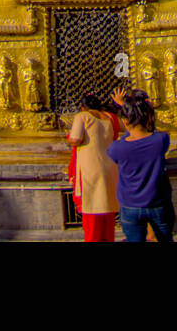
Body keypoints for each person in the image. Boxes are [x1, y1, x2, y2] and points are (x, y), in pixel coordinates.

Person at [107, 88, 174, 242]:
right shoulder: (161, 140)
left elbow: (127, 140)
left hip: (130, 205)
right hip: (158, 203)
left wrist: (123, 106)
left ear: (125, 122)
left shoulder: (116, 148)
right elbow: (152, 130)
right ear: (148, 117)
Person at [66, 92, 120, 242]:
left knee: (91, 211)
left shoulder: (82, 117)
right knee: (107, 209)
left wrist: (68, 138)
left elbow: (76, 139)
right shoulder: (110, 118)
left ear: (83, 106)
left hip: (90, 169)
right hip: (110, 167)